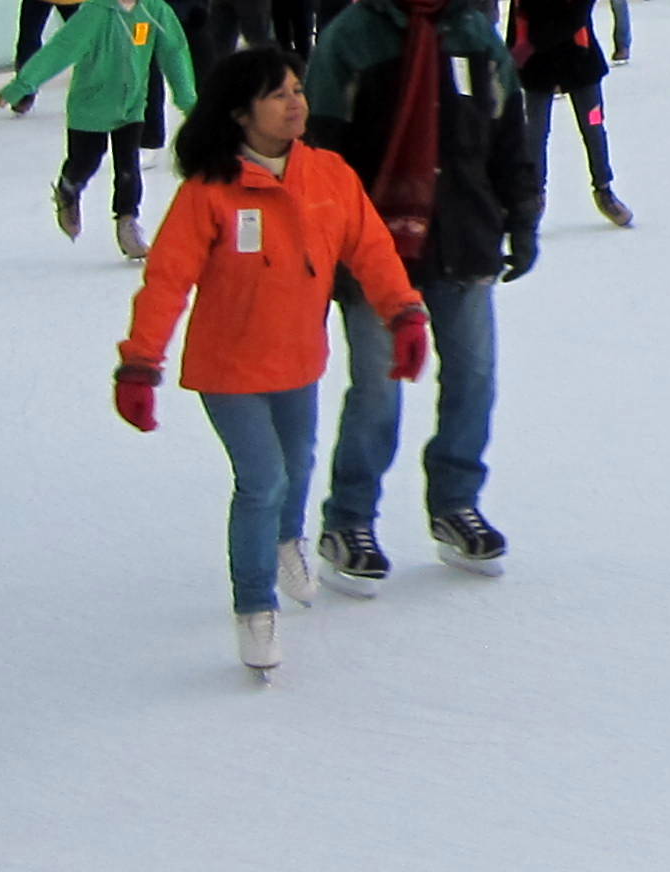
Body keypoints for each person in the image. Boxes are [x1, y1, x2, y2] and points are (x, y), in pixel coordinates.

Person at [113, 47, 432, 675]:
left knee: (298, 464)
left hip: (297, 358)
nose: (296, 104)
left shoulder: (330, 175)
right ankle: (255, 606)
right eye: (278, 95)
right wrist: (140, 363)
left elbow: (371, 248)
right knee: (261, 482)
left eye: (297, 90)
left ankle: (290, 538)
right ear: (240, 114)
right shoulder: (211, 191)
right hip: (228, 368)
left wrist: (404, 312)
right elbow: (168, 280)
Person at [309, 0, 542, 592]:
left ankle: (456, 504)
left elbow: (508, 133)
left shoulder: (473, 33)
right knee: (378, 393)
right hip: (375, 251)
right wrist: (326, 252)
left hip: (464, 235)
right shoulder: (351, 40)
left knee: (473, 379)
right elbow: (322, 156)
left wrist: (522, 213)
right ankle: (349, 516)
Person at [0, 0, 198, 257]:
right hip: (90, 107)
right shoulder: (95, 13)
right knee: (85, 161)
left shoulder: (155, 10)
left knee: (128, 167)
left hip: (131, 105)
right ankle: (69, 188)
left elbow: (175, 53)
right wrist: (24, 83)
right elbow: (61, 49)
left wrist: (189, 102)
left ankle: (128, 223)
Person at [509, 0, 627, 228]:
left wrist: (532, 44)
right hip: (537, 68)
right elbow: (517, 18)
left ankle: (604, 189)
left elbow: (575, 17)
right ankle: (535, 196)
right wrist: (511, 59)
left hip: (580, 63)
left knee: (593, 126)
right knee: (535, 133)